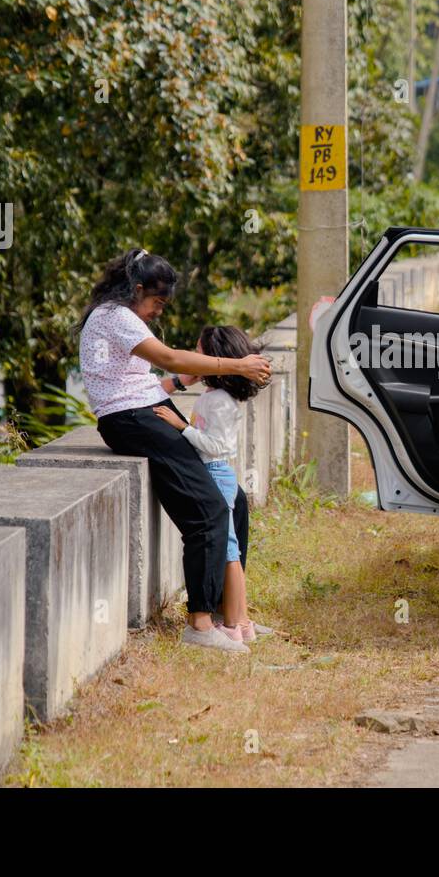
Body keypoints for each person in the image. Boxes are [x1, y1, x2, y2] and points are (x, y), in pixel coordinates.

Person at [77, 249, 270, 653]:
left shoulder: (121, 317)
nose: (158, 312)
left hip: (145, 409)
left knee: (232, 499)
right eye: (157, 302)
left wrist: (181, 382)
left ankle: (228, 614)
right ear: (137, 288)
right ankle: (199, 624)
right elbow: (164, 357)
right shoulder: (114, 316)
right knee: (208, 509)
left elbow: (140, 379)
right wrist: (235, 366)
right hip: (130, 419)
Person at [152, 325, 268, 644]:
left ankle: (235, 623)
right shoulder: (214, 395)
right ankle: (241, 622)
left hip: (216, 473)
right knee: (230, 548)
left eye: (199, 350)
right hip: (217, 473)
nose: (194, 354)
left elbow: (215, 445)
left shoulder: (217, 400)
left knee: (230, 551)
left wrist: (181, 426)